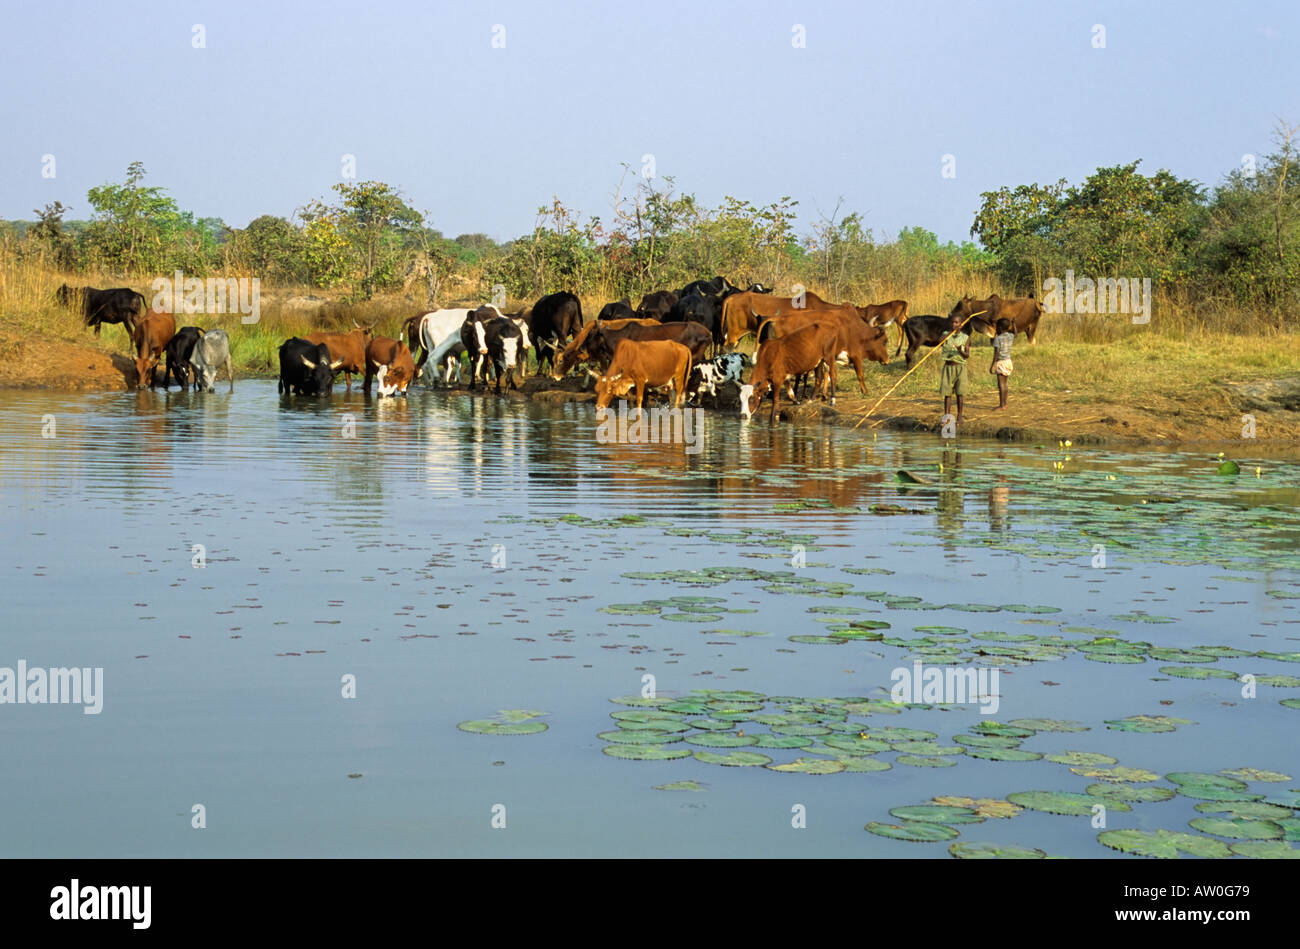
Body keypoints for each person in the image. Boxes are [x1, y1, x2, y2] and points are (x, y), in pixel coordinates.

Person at [939, 313, 970, 423]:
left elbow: (967, 355)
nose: (954, 324)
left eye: (956, 322)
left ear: (961, 324)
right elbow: (940, 342)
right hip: (948, 367)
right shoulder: (945, 335)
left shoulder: (965, 337)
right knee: (947, 394)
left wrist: (959, 351)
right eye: (952, 322)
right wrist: (947, 336)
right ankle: (946, 415)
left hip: (960, 367)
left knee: (959, 393)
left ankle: (960, 415)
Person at [989, 317, 1014, 410]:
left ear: (999, 327)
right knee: (1005, 384)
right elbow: (1015, 333)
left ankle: (1002, 405)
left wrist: (993, 364)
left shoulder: (998, 339)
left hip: (1001, 362)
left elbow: (997, 352)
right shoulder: (1010, 336)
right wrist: (1014, 323)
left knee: (1001, 384)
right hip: (1008, 361)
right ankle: (1005, 404)